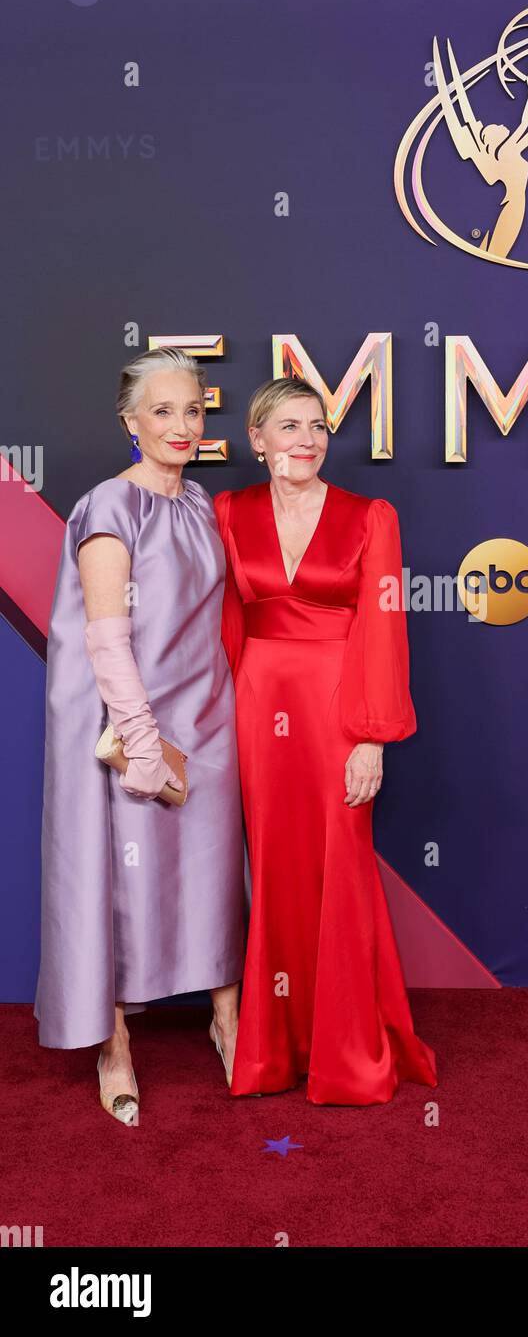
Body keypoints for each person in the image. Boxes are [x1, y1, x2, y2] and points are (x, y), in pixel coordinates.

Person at [34, 347, 246, 1125]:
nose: (182, 425)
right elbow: (105, 640)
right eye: (163, 411)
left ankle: (228, 1019)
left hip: (209, 717)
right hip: (129, 722)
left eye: (193, 409)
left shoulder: (199, 505)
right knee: (117, 883)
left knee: (216, 870)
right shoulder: (108, 507)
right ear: (131, 422)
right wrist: (143, 740)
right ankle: (113, 1040)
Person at [213, 377, 437, 1105]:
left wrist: (371, 737)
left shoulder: (370, 515)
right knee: (272, 868)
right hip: (255, 709)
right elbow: (221, 625)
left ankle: (345, 1051)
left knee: (340, 865)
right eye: (288, 426)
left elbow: (383, 630)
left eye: (317, 425)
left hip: (337, 708)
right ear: (257, 440)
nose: (305, 439)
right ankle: (277, 1048)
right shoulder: (228, 511)